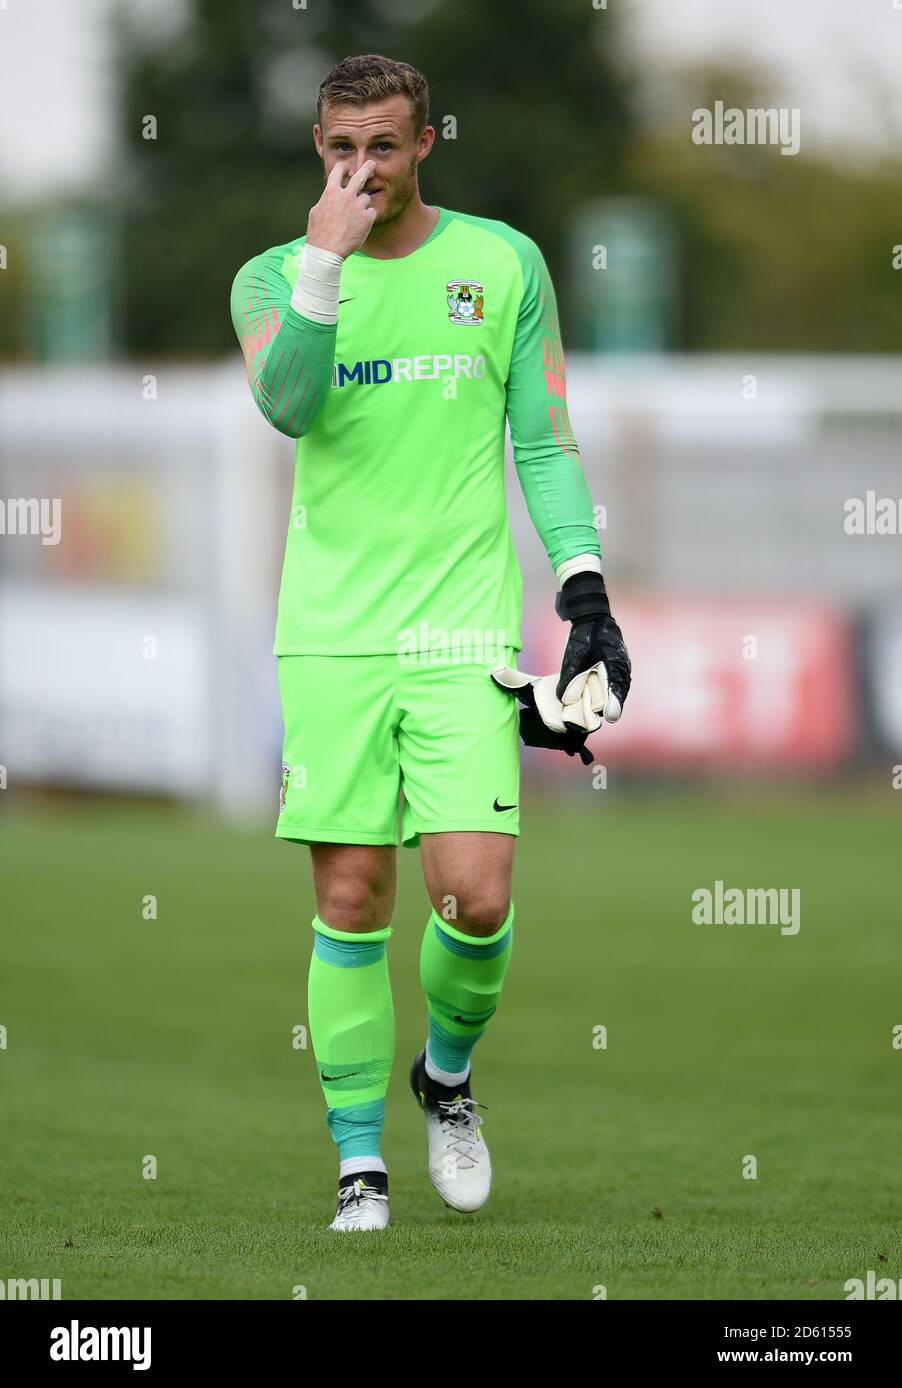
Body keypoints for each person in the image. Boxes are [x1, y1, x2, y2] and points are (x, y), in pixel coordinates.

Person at [231, 53, 630, 1231]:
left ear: (423, 144)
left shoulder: (502, 262)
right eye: (340, 148)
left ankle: (445, 1079)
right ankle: (359, 1164)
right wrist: (324, 263)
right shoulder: (271, 277)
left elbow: (541, 439)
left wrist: (584, 589)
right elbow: (287, 405)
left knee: (474, 895)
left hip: (461, 630)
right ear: (318, 151)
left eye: (383, 146)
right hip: (332, 634)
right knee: (353, 896)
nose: (362, 167)